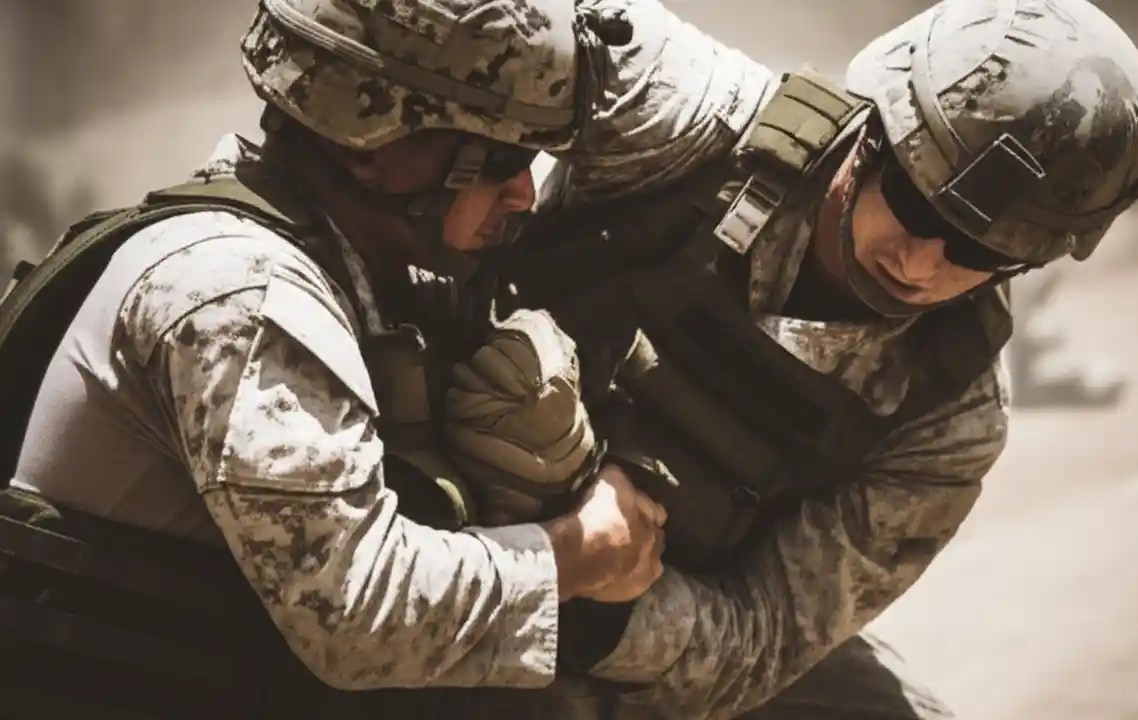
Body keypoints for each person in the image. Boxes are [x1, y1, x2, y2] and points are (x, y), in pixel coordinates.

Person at [444, 0, 1138, 717]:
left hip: (634, 632)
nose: (918, 263)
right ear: (872, 132)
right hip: (433, 489)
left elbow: (762, 641)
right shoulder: (685, 116)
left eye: (977, 252)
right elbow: (442, 42)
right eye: (914, 206)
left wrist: (601, 591)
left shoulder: (951, 414)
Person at [0, 1, 669, 717]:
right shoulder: (240, 289)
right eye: (499, 158)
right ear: (367, 145)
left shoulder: (359, 275)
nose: (522, 191)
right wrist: (579, 552)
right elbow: (354, 608)